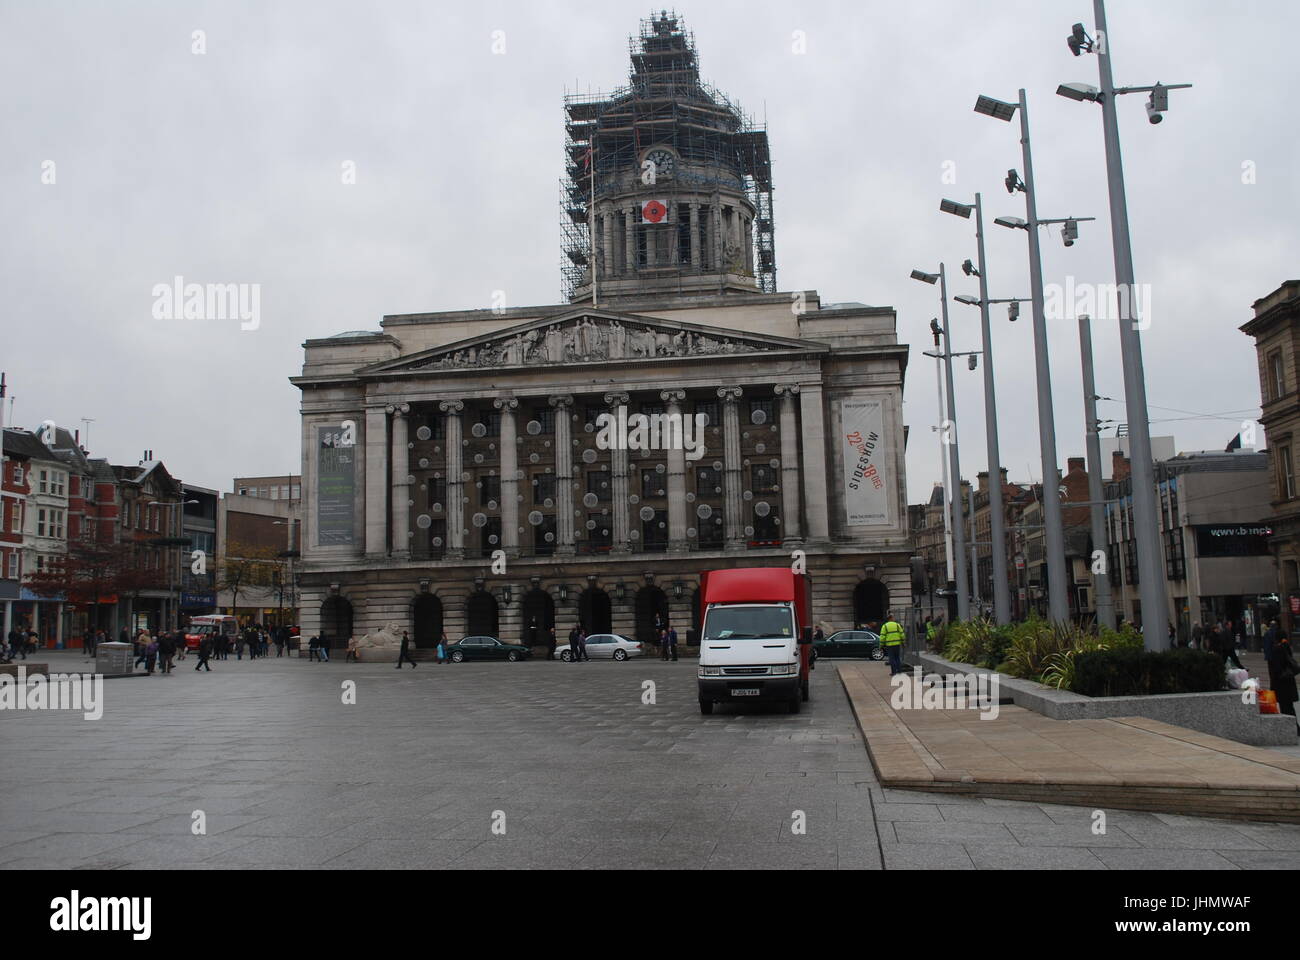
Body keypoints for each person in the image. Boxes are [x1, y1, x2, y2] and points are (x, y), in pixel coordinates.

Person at [1267, 631, 1299, 722]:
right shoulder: (1286, 647)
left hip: (1281, 684)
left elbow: (1276, 669)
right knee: (1289, 707)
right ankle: (1295, 728)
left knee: (1285, 708)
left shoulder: (1277, 649)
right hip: (1288, 682)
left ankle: (1292, 728)